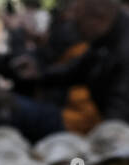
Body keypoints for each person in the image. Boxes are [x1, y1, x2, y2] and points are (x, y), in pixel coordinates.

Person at [9, 0, 129, 137]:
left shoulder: (123, 49)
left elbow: (120, 110)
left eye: (78, 23)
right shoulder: (105, 40)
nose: (75, 29)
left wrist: (109, 141)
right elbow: (75, 69)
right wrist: (39, 74)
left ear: (99, 18)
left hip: (93, 125)